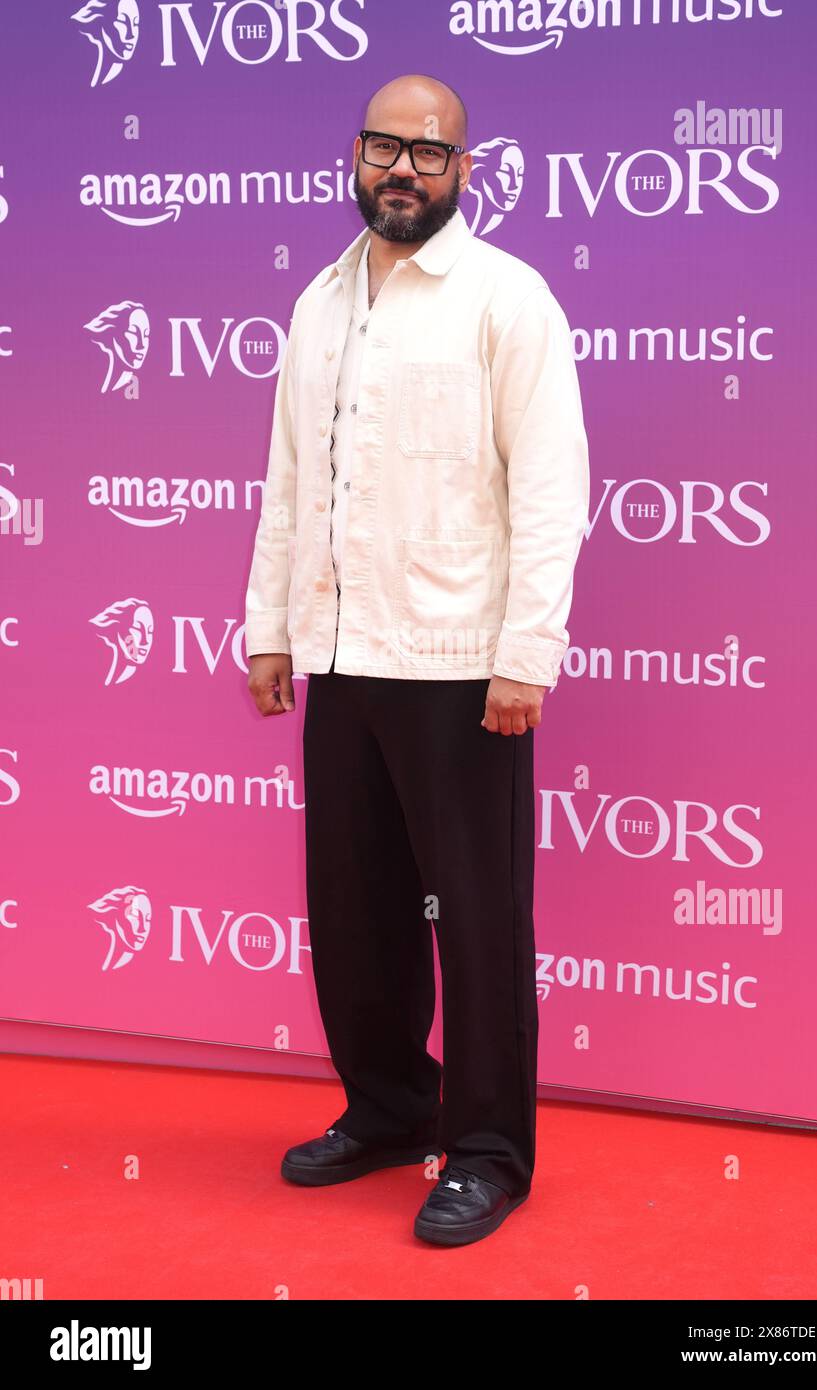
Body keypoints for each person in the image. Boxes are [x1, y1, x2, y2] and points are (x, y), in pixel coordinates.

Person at [245, 73, 590, 1247]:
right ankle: (390, 1108)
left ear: (464, 168)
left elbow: (549, 489)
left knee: (476, 917)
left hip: (458, 663)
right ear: (353, 154)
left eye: (428, 153)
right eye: (385, 147)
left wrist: (523, 651)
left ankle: (488, 1148)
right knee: (355, 909)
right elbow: (292, 480)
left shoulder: (506, 300)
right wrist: (271, 626)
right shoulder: (317, 304)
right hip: (341, 651)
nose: (403, 169)